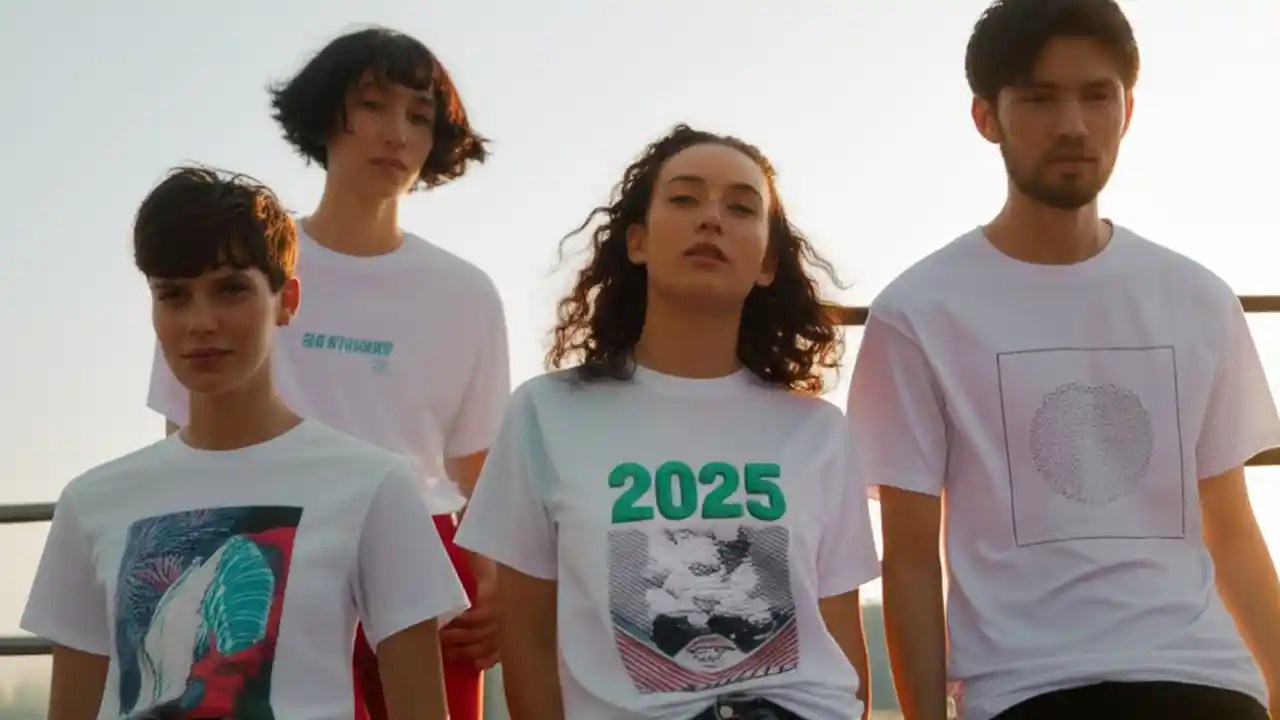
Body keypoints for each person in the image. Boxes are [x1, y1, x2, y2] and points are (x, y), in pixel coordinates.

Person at [846, 1, 1280, 719]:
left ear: (1128, 109)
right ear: (987, 116)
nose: (1074, 124)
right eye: (1041, 98)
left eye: (1097, 95)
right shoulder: (919, 311)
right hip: (1025, 690)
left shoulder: (1198, 298)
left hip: (1207, 680)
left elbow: (1232, 528)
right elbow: (912, 558)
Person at [454, 124, 880, 720]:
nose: (712, 219)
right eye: (685, 198)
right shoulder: (546, 414)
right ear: (637, 242)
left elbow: (839, 633)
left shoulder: (818, 431)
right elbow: (527, 640)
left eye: (741, 207)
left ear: (766, 263)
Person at [144, 27, 508, 720]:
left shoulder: (466, 293)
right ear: (325, 115)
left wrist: (495, 587)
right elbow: (186, 432)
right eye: (373, 106)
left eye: (419, 116)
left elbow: (476, 470)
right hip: (268, 547)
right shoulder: (240, 266)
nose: (396, 133)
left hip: (428, 557)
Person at [23, 166, 466, 720]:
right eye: (174, 296)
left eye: (231, 289)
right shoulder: (91, 502)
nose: (201, 322)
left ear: (288, 300)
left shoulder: (372, 484)